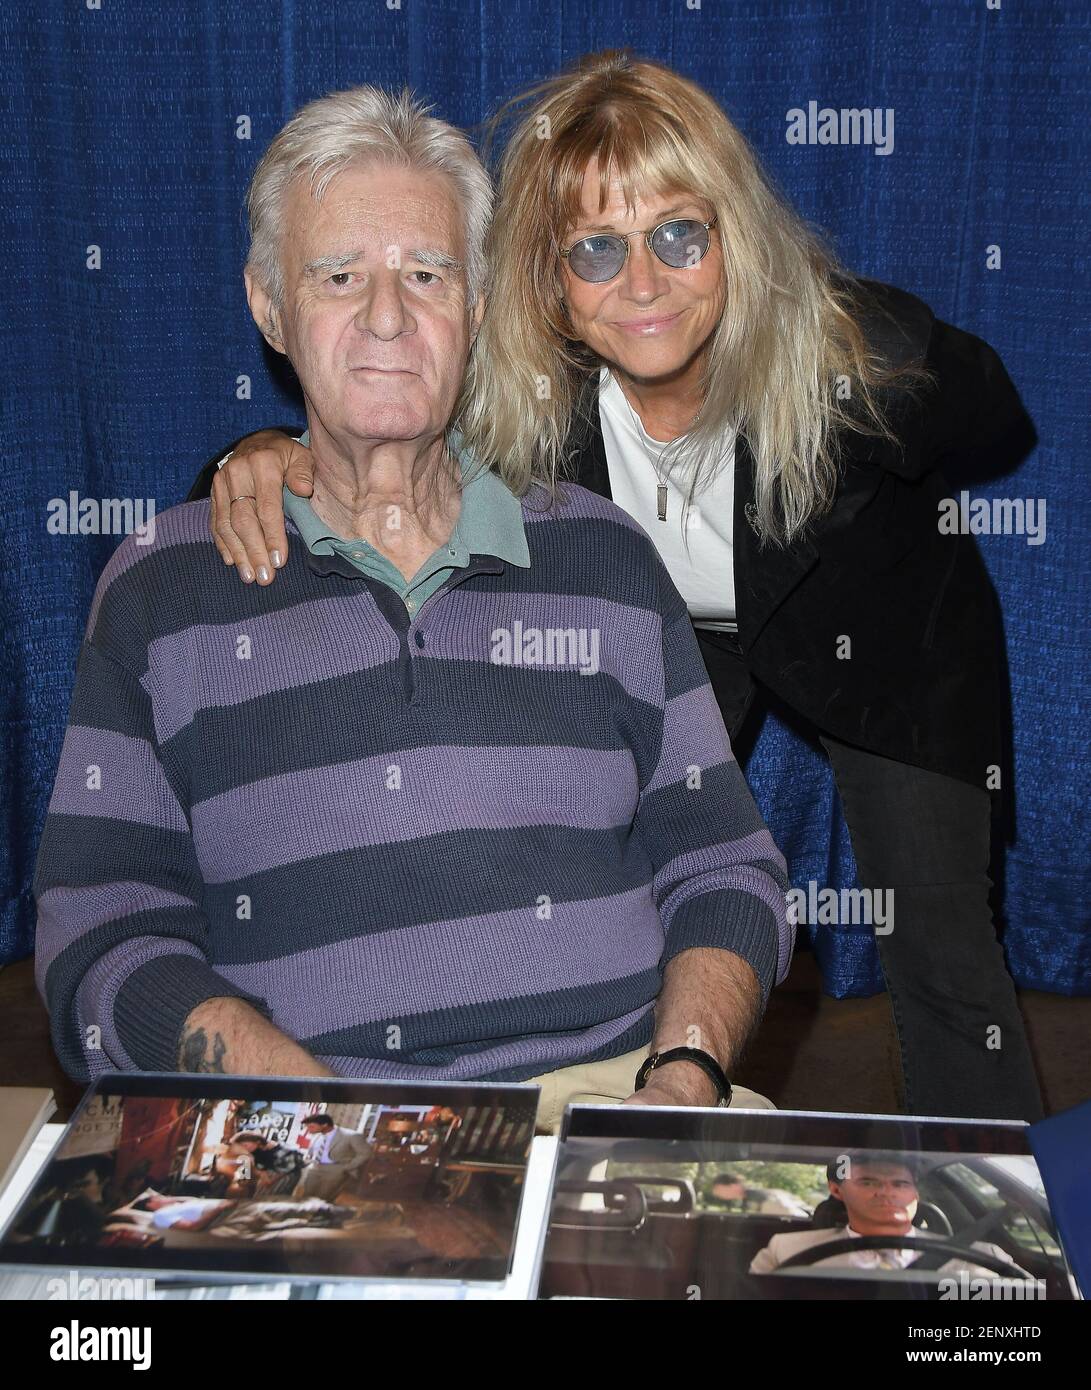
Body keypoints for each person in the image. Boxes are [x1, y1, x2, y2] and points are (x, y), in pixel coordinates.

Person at [197, 51, 1043, 1123]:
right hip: (679, 636)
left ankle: (999, 1238)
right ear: (549, 281)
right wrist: (257, 451)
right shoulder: (523, 400)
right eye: (595, 248)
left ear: (732, 234)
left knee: (938, 933)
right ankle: (636, 1120)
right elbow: (370, 432)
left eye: (676, 235)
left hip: (884, 638)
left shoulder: (849, 359)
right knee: (627, 878)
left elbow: (998, 421)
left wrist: (888, 368)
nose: (640, 284)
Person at [33, 84, 791, 1132]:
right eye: (339, 276)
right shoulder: (159, 591)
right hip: (288, 1119)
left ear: (474, 309)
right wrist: (309, 1110)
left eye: (426, 275)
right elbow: (97, 928)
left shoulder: (604, 556)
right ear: (267, 307)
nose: (387, 316)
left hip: (606, 1101)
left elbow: (721, 863)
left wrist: (680, 1074)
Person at [749, 1154, 1029, 1278]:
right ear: (836, 1190)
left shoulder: (985, 1259)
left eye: (900, 1184)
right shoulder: (783, 1251)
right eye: (869, 1182)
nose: (887, 1192)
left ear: (916, 1194)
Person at [295, 1114, 373, 1201]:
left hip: (336, 1170)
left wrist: (347, 1167)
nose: (308, 1130)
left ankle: (320, 1214)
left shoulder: (351, 1136)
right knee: (306, 1196)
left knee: (323, 1198)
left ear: (324, 1125)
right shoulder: (317, 1135)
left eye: (311, 1126)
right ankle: (303, 1214)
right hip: (315, 1168)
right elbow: (312, 1152)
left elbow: (366, 1153)